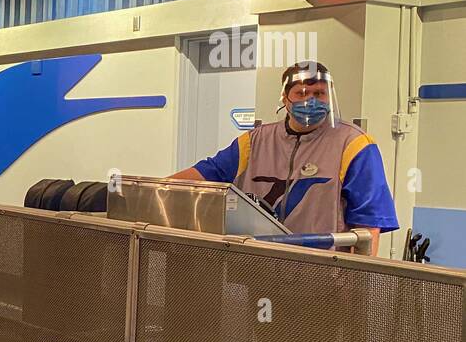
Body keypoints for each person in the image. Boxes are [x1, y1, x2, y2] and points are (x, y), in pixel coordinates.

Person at [171, 61, 398, 249]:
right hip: (263, 266)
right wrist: (152, 191)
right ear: (285, 98)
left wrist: (360, 286)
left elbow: (369, 225)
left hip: (326, 275)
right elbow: (206, 173)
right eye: (301, 93)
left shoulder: (354, 144)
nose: (310, 100)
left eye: (319, 93)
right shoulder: (254, 141)